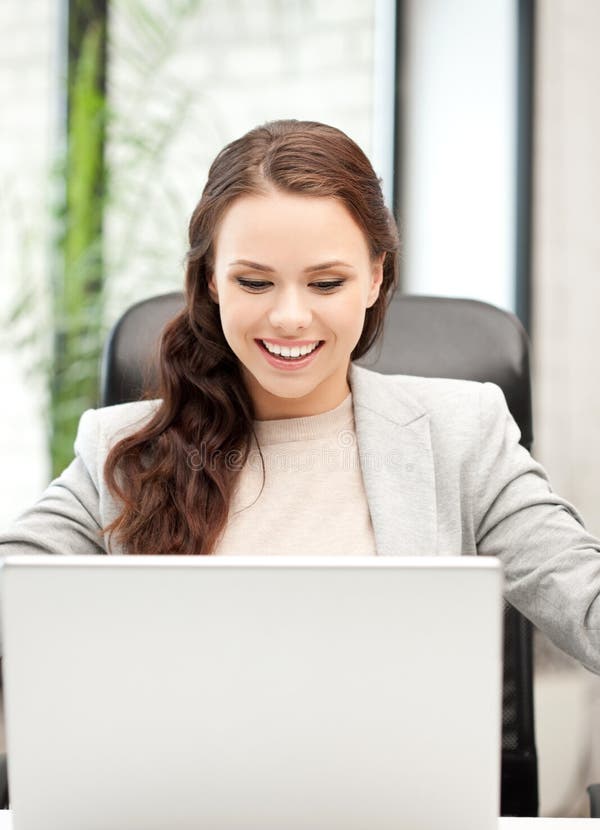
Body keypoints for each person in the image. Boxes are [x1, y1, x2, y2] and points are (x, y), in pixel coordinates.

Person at [0, 118, 600, 674]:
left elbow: (583, 599)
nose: (289, 317)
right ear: (212, 280)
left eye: (326, 282)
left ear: (376, 277)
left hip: (389, 787)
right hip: (177, 789)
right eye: (255, 282)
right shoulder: (128, 451)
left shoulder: (462, 435)